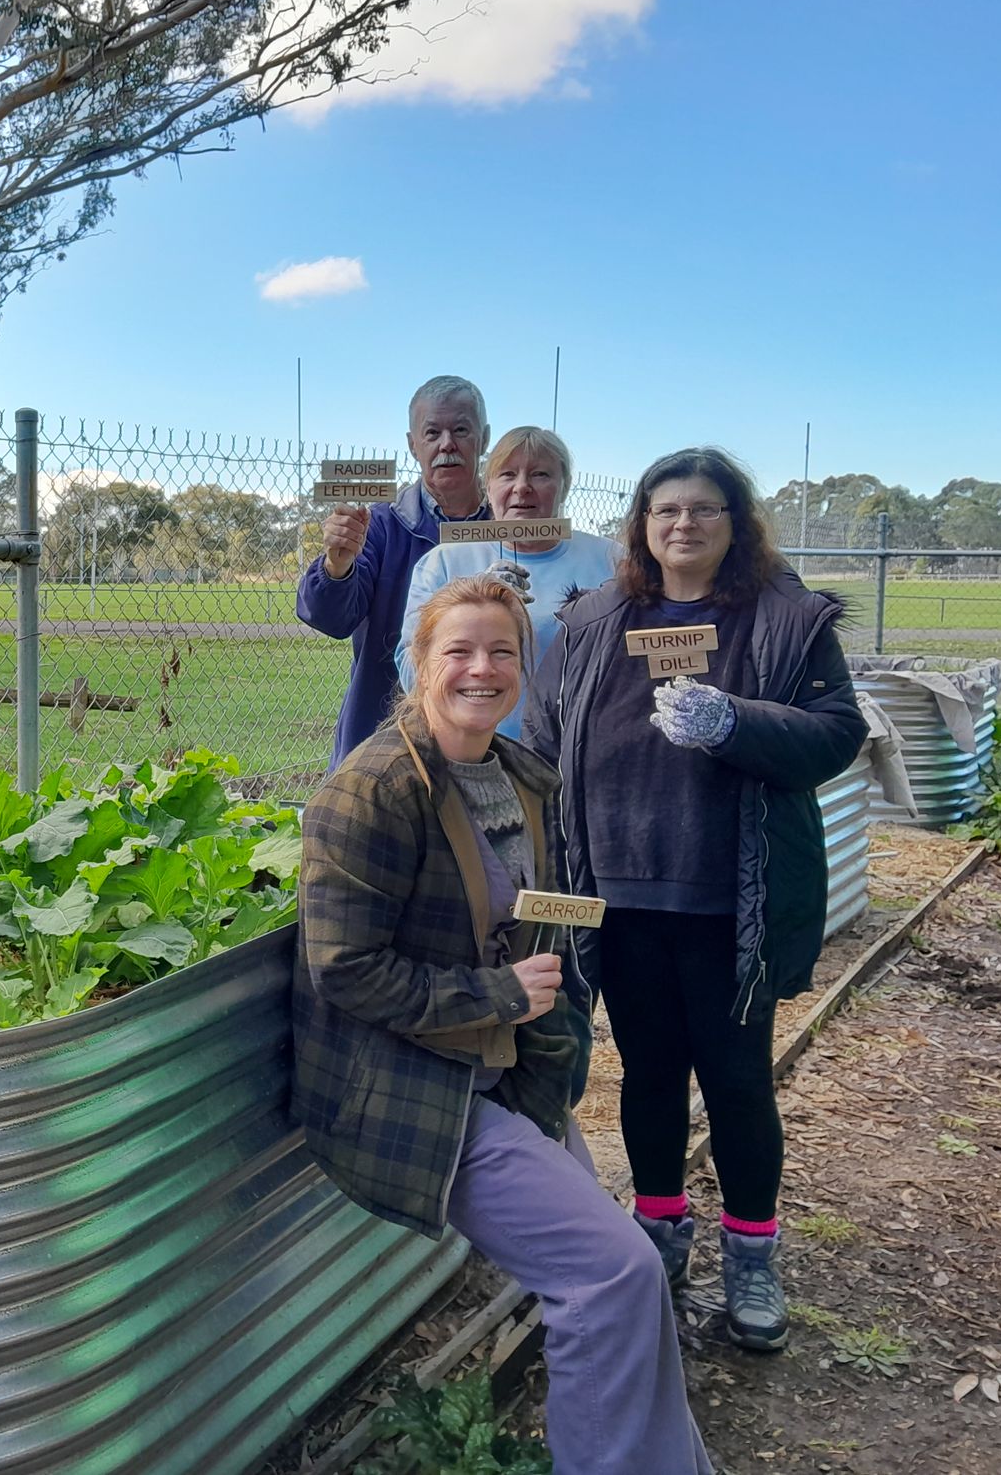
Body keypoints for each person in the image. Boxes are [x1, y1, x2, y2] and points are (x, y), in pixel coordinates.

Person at [292, 574, 714, 1475]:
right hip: (413, 1090)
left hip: (503, 1073)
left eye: (502, 651)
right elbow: (344, 971)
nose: (481, 669)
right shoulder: (371, 791)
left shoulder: (522, 777)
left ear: (525, 665)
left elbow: (542, 922)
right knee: (613, 1274)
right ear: (418, 663)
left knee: (626, 1273)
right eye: (459, 651)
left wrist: (547, 1025)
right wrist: (499, 997)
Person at [526, 447, 867, 1353]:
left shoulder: (783, 619)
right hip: (619, 894)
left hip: (731, 900)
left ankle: (751, 1255)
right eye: (666, 509)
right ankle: (659, 1229)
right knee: (647, 1071)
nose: (683, 524)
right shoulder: (596, 618)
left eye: (705, 509)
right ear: (642, 523)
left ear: (735, 521)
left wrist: (734, 720)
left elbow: (838, 732)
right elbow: (545, 736)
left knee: (737, 1078)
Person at [297, 375, 492, 767]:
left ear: (484, 439)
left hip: (485, 744)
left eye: (461, 430)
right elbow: (331, 619)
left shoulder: (508, 531)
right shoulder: (380, 526)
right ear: (412, 444)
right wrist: (337, 564)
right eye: (432, 433)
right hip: (384, 744)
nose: (447, 444)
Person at [395, 427, 621, 738]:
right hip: (474, 748)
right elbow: (411, 669)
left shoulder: (611, 559)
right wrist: (473, 607)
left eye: (540, 474)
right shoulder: (443, 562)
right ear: (488, 488)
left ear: (564, 487)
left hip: (579, 748)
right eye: (507, 474)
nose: (522, 487)